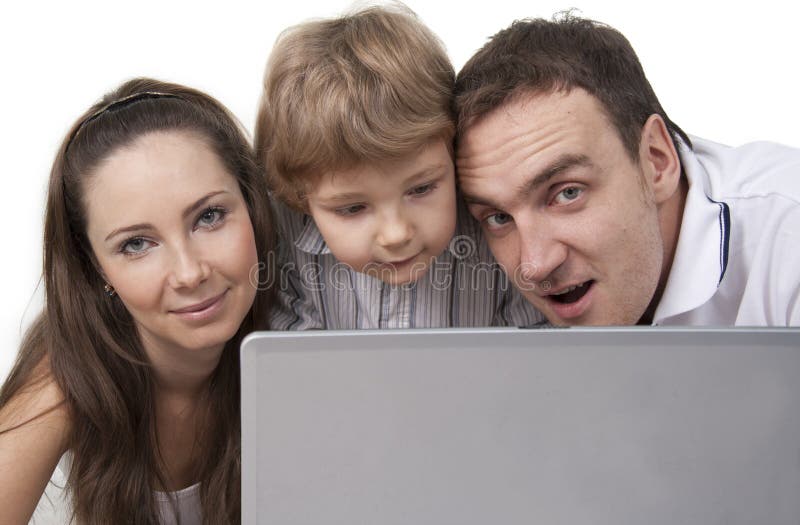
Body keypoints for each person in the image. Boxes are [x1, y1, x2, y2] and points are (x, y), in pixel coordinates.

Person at [0, 78, 274, 524]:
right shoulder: (68, 375)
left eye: (209, 217)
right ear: (96, 268)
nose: (190, 272)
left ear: (253, 205)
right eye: (136, 245)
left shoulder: (301, 330)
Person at [454, 13, 800, 326]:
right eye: (499, 217)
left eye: (567, 193)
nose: (534, 265)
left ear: (656, 160)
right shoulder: (469, 269)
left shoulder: (787, 241)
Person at [256, 5, 544, 329]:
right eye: (352, 208)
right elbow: (292, 363)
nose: (395, 235)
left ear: (453, 150)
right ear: (299, 197)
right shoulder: (280, 235)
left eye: (421, 189)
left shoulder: (501, 228)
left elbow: (532, 353)